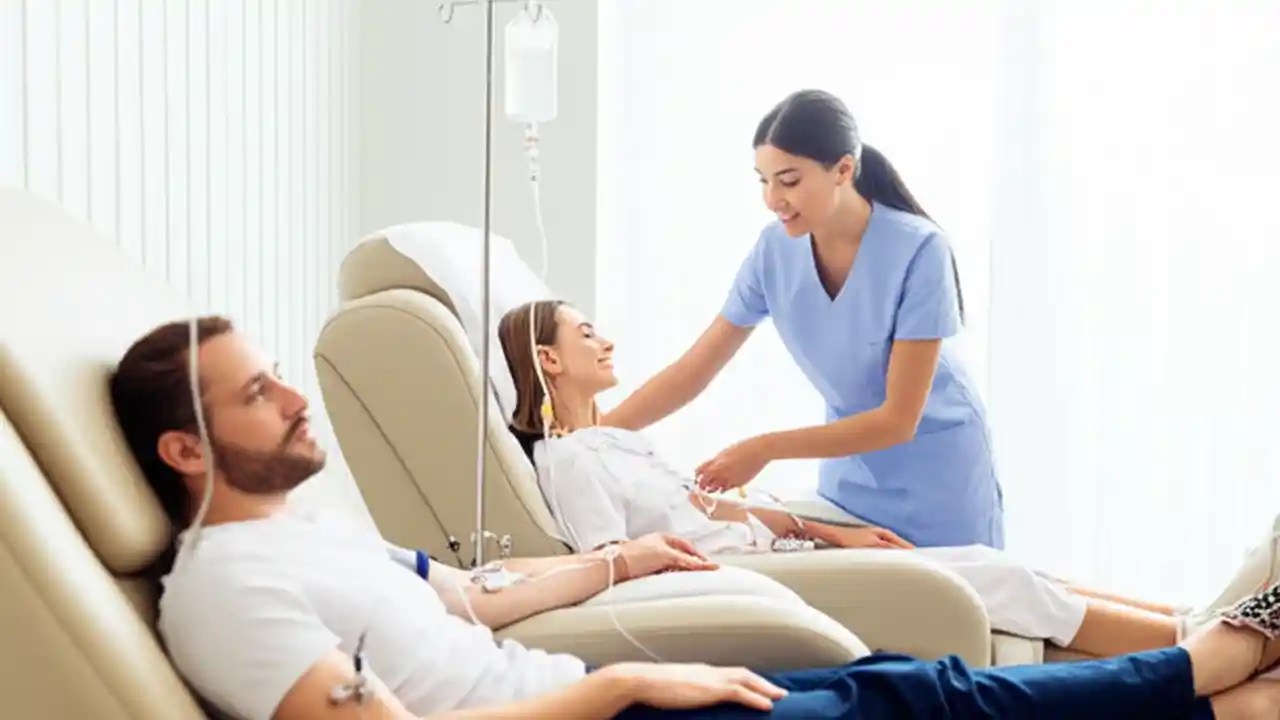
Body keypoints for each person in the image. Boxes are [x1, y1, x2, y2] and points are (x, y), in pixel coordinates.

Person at [110, 315, 1280, 720]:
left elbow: (472, 594)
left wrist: (616, 561)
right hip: (588, 717)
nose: (295, 395)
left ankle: (1229, 690)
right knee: (920, 700)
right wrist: (618, 685)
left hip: (564, 695)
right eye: (257, 394)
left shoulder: (308, 538)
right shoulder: (223, 592)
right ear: (183, 449)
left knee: (897, 686)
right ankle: (1223, 659)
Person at [497, 299, 1261, 659]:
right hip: (739, 575)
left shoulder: (620, 443)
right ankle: (1209, 646)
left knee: (1005, 569)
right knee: (990, 575)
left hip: (784, 551)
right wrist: (769, 543)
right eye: (585, 331)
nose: (607, 337)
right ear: (548, 359)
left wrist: (828, 530)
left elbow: (715, 506)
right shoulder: (568, 458)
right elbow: (609, 559)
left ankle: (1205, 617)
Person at [603, 89, 1003, 550]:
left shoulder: (919, 250)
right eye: (763, 181)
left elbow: (898, 420)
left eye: (789, 181)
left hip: (940, 478)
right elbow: (694, 370)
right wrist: (594, 436)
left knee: (982, 611)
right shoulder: (774, 252)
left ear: (844, 171)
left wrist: (762, 448)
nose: (773, 199)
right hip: (850, 484)